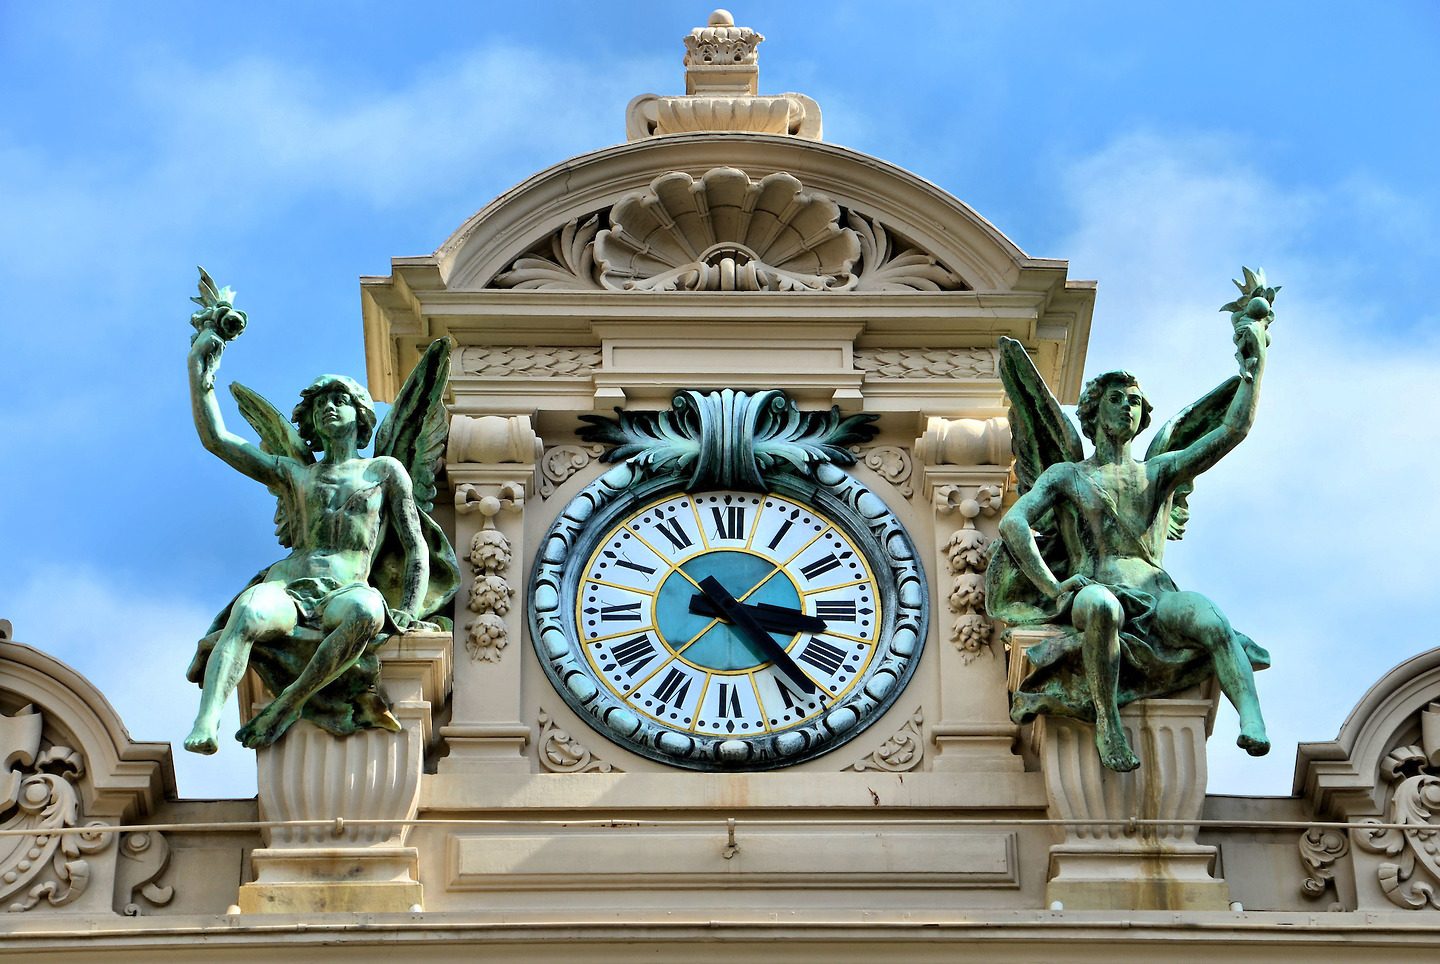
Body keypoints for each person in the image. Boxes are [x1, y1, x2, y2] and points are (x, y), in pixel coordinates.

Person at [993, 322, 1271, 772]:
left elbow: (1231, 430)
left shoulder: (1158, 471)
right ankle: (1107, 721)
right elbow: (1013, 523)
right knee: (1103, 607)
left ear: (1143, 417)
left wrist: (1254, 365)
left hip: (1156, 595)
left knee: (1209, 615)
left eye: (1135, 402)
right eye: (1116, 400)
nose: (1127, 408)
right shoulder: (1067, 475)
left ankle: (1252, 716)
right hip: (1093, 587)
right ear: (1094, 411)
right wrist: (1054, 588)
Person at [182, 314, 430, 753]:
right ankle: (206, 721)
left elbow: (414, 545)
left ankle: (288, 703)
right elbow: (217, 440)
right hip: (291, 584)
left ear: (361, 414)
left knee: (368, 612)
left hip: (346, 589)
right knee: (248, 613)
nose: (328, 408)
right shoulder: (296, 474)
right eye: (320, 405)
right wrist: (200, 371)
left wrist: (408, 610)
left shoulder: (383, 471)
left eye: (339, 400)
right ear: (311, 423)